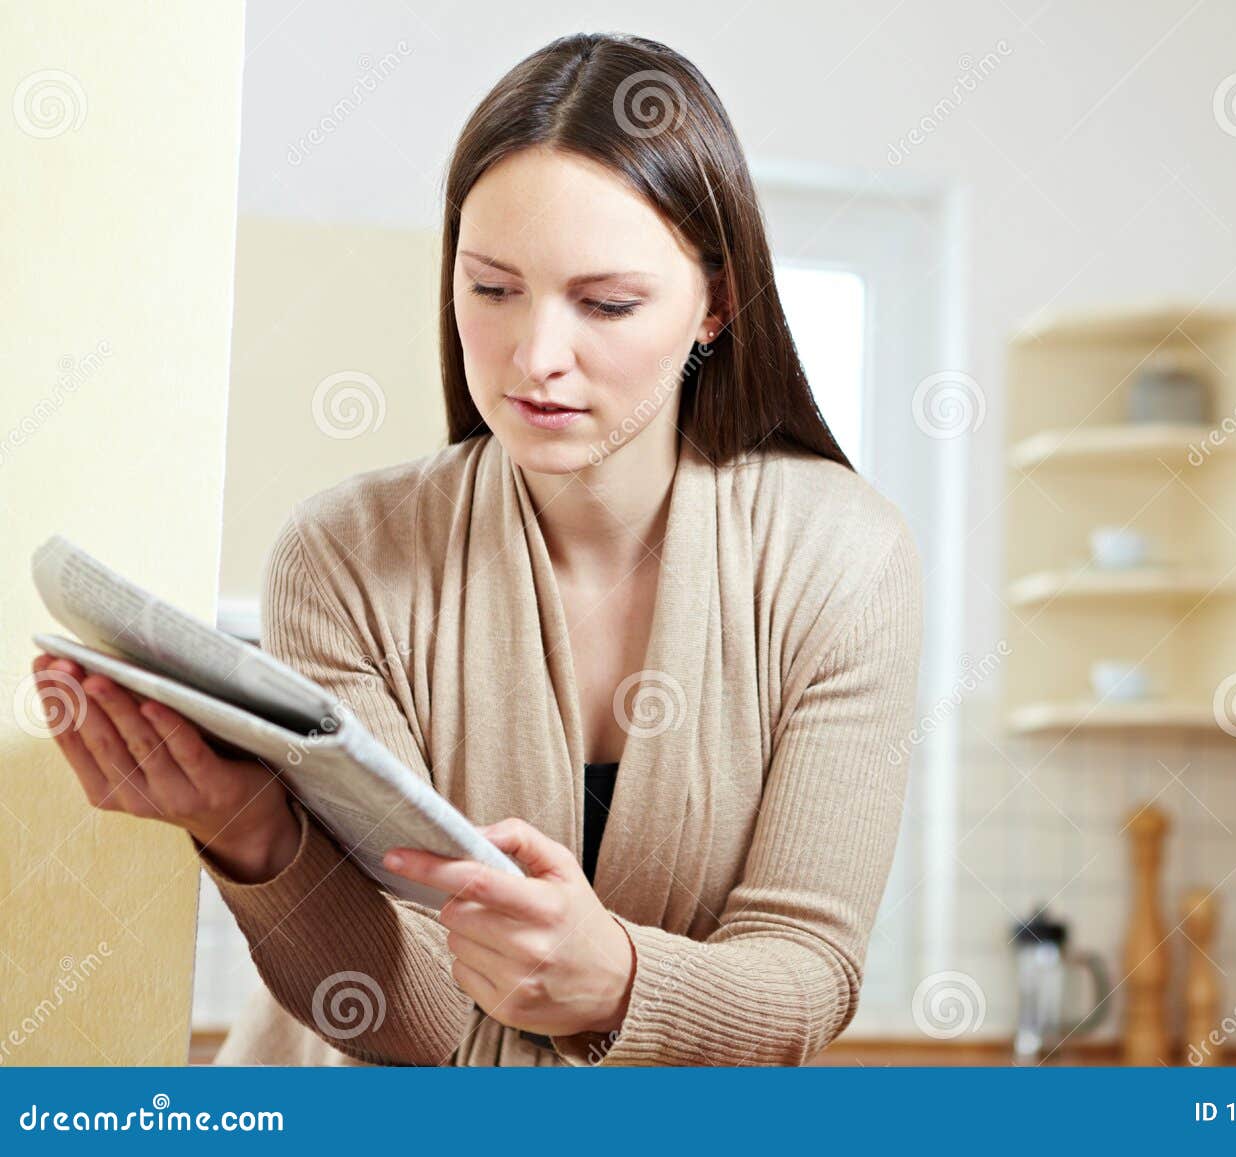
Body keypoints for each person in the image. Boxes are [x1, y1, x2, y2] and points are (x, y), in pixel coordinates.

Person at [33, 31, 922, 1067]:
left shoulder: (843, 558)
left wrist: (619, 981)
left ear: (716, 302)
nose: (535, 357)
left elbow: (806, 969)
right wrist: (253, 834)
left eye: (607, 303)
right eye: (492, 288)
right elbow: (411, 1018)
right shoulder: (342, 555)